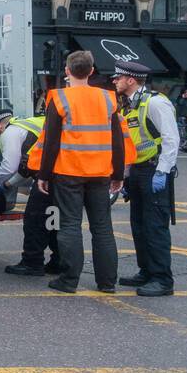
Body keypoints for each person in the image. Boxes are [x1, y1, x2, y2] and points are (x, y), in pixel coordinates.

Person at [33, 51, 132, 294]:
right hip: (100, 173)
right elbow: (117, 141)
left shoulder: (58, 98)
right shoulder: (108, 98)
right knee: (102, 227)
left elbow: (51, 141)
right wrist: (118, 174)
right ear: (91, 71)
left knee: (69, 225)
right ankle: (107, 282)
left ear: (67, 71)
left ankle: (69, 280)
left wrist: (43, 175)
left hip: (68, 171)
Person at [112, 60, 179, 298]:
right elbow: (131, 144)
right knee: (139, 226)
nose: (115, 81)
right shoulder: (129, 106)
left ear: (131, 80)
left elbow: (171, 139)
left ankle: (162, 279)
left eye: (118, 78)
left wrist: (162, 171)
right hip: (139, 172)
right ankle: (147, 271)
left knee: (155, 227)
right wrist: (127, 176)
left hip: (154, 171)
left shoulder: (155, 102)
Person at [0, 108, 60, 277]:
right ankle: (59, 261)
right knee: (54, 219)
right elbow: (27, 167)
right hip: (61, 178)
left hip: (45, 182)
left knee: (34, 220)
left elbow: (10, 166)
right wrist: (10, 183)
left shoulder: (9, 132)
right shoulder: (31, 125)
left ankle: (32, 263)